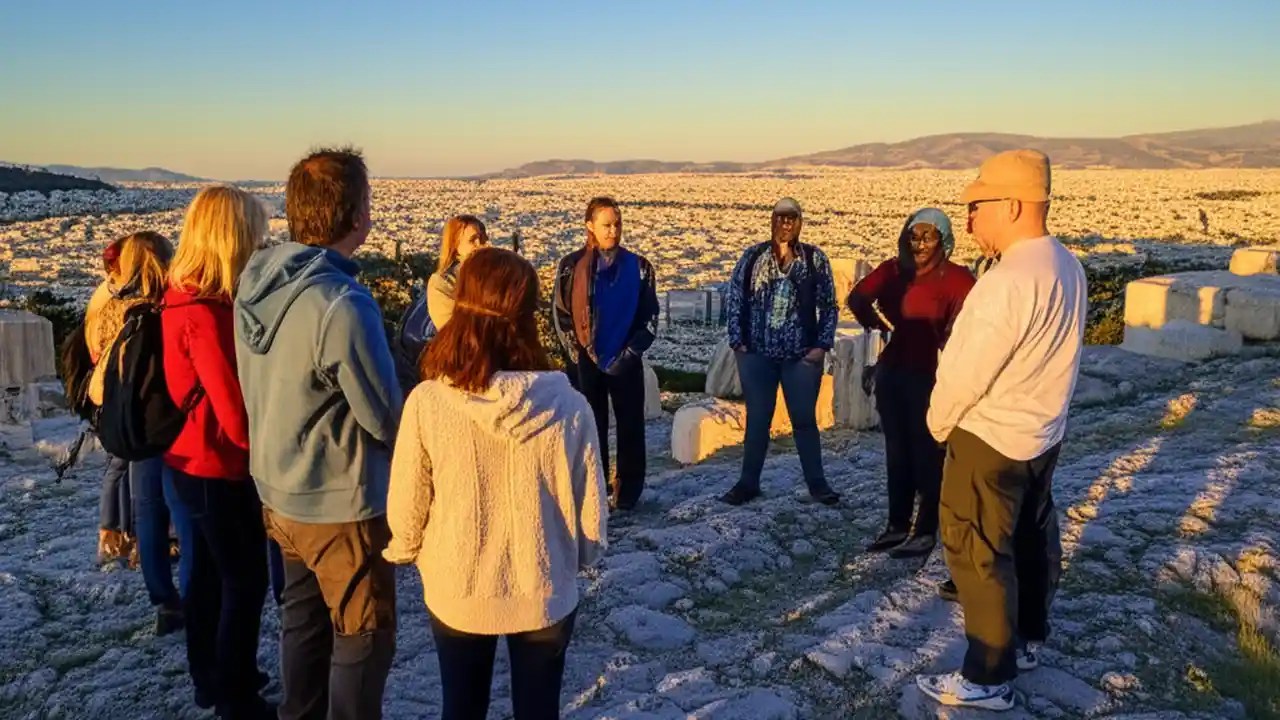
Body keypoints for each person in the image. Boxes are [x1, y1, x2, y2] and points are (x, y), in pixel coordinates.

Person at [385, 247, 607, 720]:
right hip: (543, 588)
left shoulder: (428, 402)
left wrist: (407, 549)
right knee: (539, 709)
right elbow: (591, 509)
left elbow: (406, 504)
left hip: (458, 585)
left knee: (461, 707)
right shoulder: (567, 405)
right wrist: (581, 558)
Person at [915, 150, 1087, 711]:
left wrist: (939, 424)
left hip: (989, 439)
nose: (968, 221)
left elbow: (965, 372)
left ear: (1012, 205)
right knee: (1033, 539)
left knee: (977, 550)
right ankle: (1028, 640)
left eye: (976, 206)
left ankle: (989, 675)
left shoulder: (1007, 281)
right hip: (1042, 435)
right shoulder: (1066, 264)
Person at [235, 147, 401, 720]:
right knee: (363, 632)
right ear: (356, 215)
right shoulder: (341, 304)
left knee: (302, 620)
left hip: (276, 491)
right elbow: (383, 414)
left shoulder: (254, 283)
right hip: (338, 502)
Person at [162, 187, 273, 718]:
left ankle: (212, 677)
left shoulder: (178, 295)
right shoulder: (204, 312)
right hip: (218, 462)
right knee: (244, 582)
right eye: (254, 231)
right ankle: (236, 695)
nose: (262, 240)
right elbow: (233, 409)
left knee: (207, 578)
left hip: (188, 459)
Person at [848, 209, 975, 559]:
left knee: (927, 453)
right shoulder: (893, 270)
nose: (918, 244)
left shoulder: (957, 280)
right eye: (913, 236)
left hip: (932, 377)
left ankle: (924, 530)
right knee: (897, 452)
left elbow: (967, 329)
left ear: (944, 240)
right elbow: (857, 298)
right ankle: (897, 524)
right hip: (894, 371)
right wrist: (882, 327)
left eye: (927, 236)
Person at [85, 232, 192, 634]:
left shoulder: (113, 304)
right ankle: (194, 594)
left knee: (147, 510)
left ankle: (164, 601)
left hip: (131, 420)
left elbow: (96, 353)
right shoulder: (171, 302)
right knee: (182, 509)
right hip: (173, 417)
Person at [719, 197, 840, 506]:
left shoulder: (814, 259)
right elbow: (736, 298)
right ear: (771, 220)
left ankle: (817, 483)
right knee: (758, 419)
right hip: (757, 354)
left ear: (800, 222)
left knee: (803, 420)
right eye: (780, 217)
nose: (786, 224)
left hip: (801, 356)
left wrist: (821, 346)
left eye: (792, 218)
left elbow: (828, 305)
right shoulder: (753, 257)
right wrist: (738, 342)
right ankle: (748, 483)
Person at [552, 197, 659, 510]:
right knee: (589, 427)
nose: (613, 230)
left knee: (630, 427)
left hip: (626, 359)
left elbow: (649, 316)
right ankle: (593, 492)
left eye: (617, 224)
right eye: (606, 225)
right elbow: (561, 314)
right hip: (586, 360)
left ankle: (628, 495)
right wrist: (577, 354)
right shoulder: (572, 266)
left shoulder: (639, 267)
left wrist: (630, 353)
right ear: (590, 226)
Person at [427, 214, 489, 330]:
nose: (480, 244)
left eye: (482, 238)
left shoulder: (495, 273)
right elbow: (450, 328)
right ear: (455, 244)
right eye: (472, 240)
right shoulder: (442, 282)